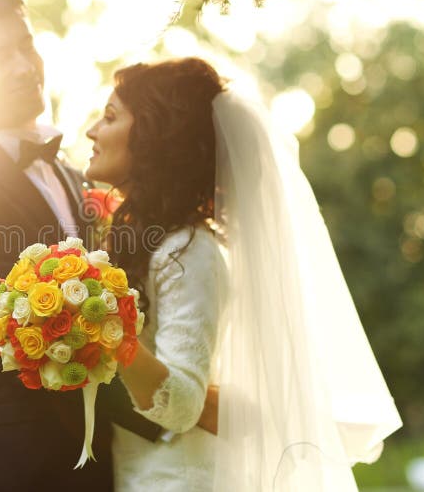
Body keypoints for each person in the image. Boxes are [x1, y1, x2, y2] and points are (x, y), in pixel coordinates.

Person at [84, 57, 402, 491]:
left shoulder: (189, 251)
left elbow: (180, 405)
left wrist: (106, 332)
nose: (92, 131)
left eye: (110, 116)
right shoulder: (143, 241)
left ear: (153, 136)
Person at [0, 0, 164, 492]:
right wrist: (178, 408)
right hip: (11, 473)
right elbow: (49, 347)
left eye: (25, 46)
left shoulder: (75, 176)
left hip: (99, 471)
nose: (24, 67)